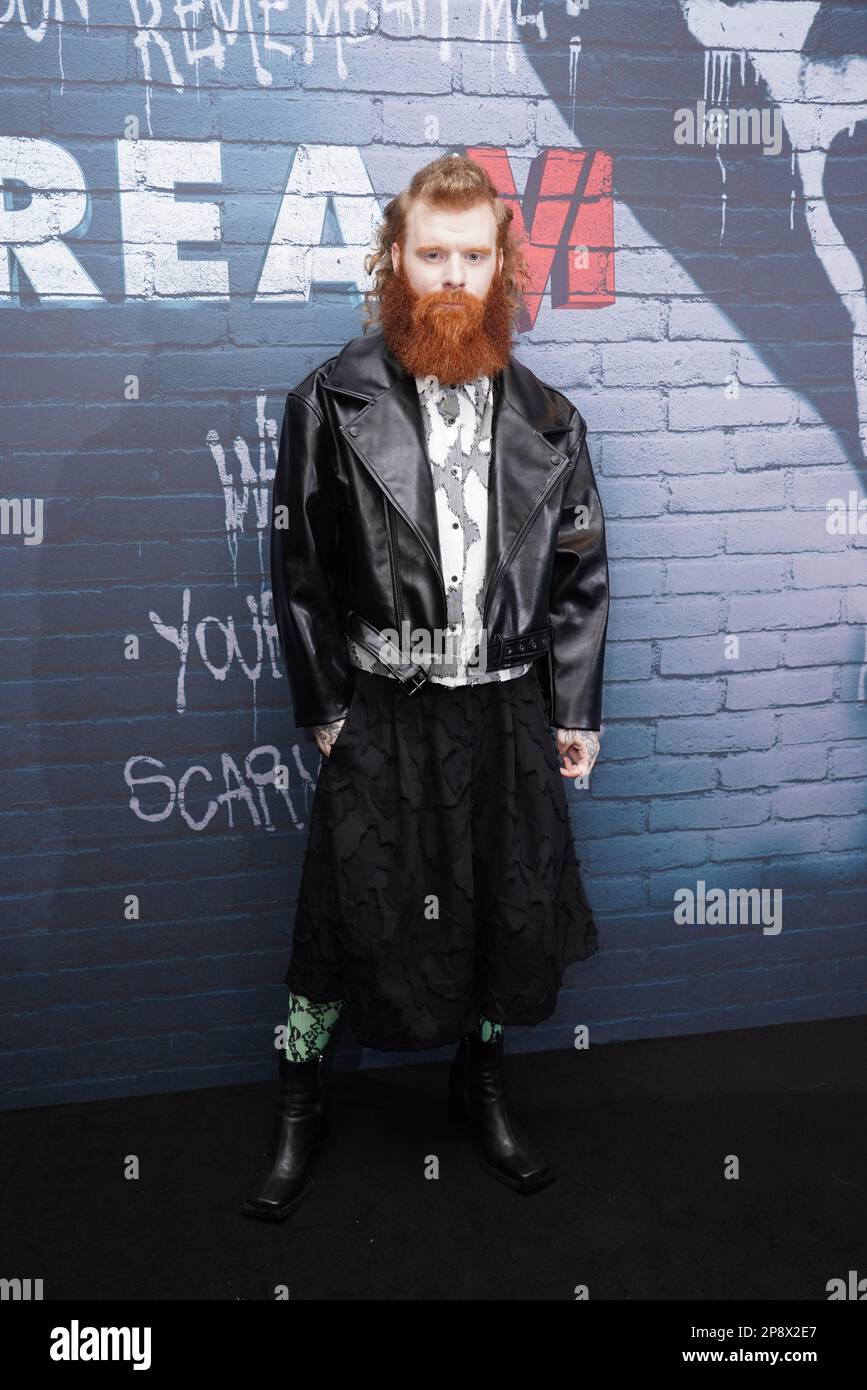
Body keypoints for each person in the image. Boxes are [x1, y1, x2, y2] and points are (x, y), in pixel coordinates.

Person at [241, 154, 609, 1221]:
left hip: (504, 707)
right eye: (432, 254)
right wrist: (323, 704)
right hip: (383, 709)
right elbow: (298, 570)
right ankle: (300, 1103)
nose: (454, 276)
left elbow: (582, 573)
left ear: (503, 268)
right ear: (394, 261)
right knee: (337, 914)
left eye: (474, 256)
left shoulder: (551, 420)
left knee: (502, 900)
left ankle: (481, 1085)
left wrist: (574, 710)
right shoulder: (331, 402)